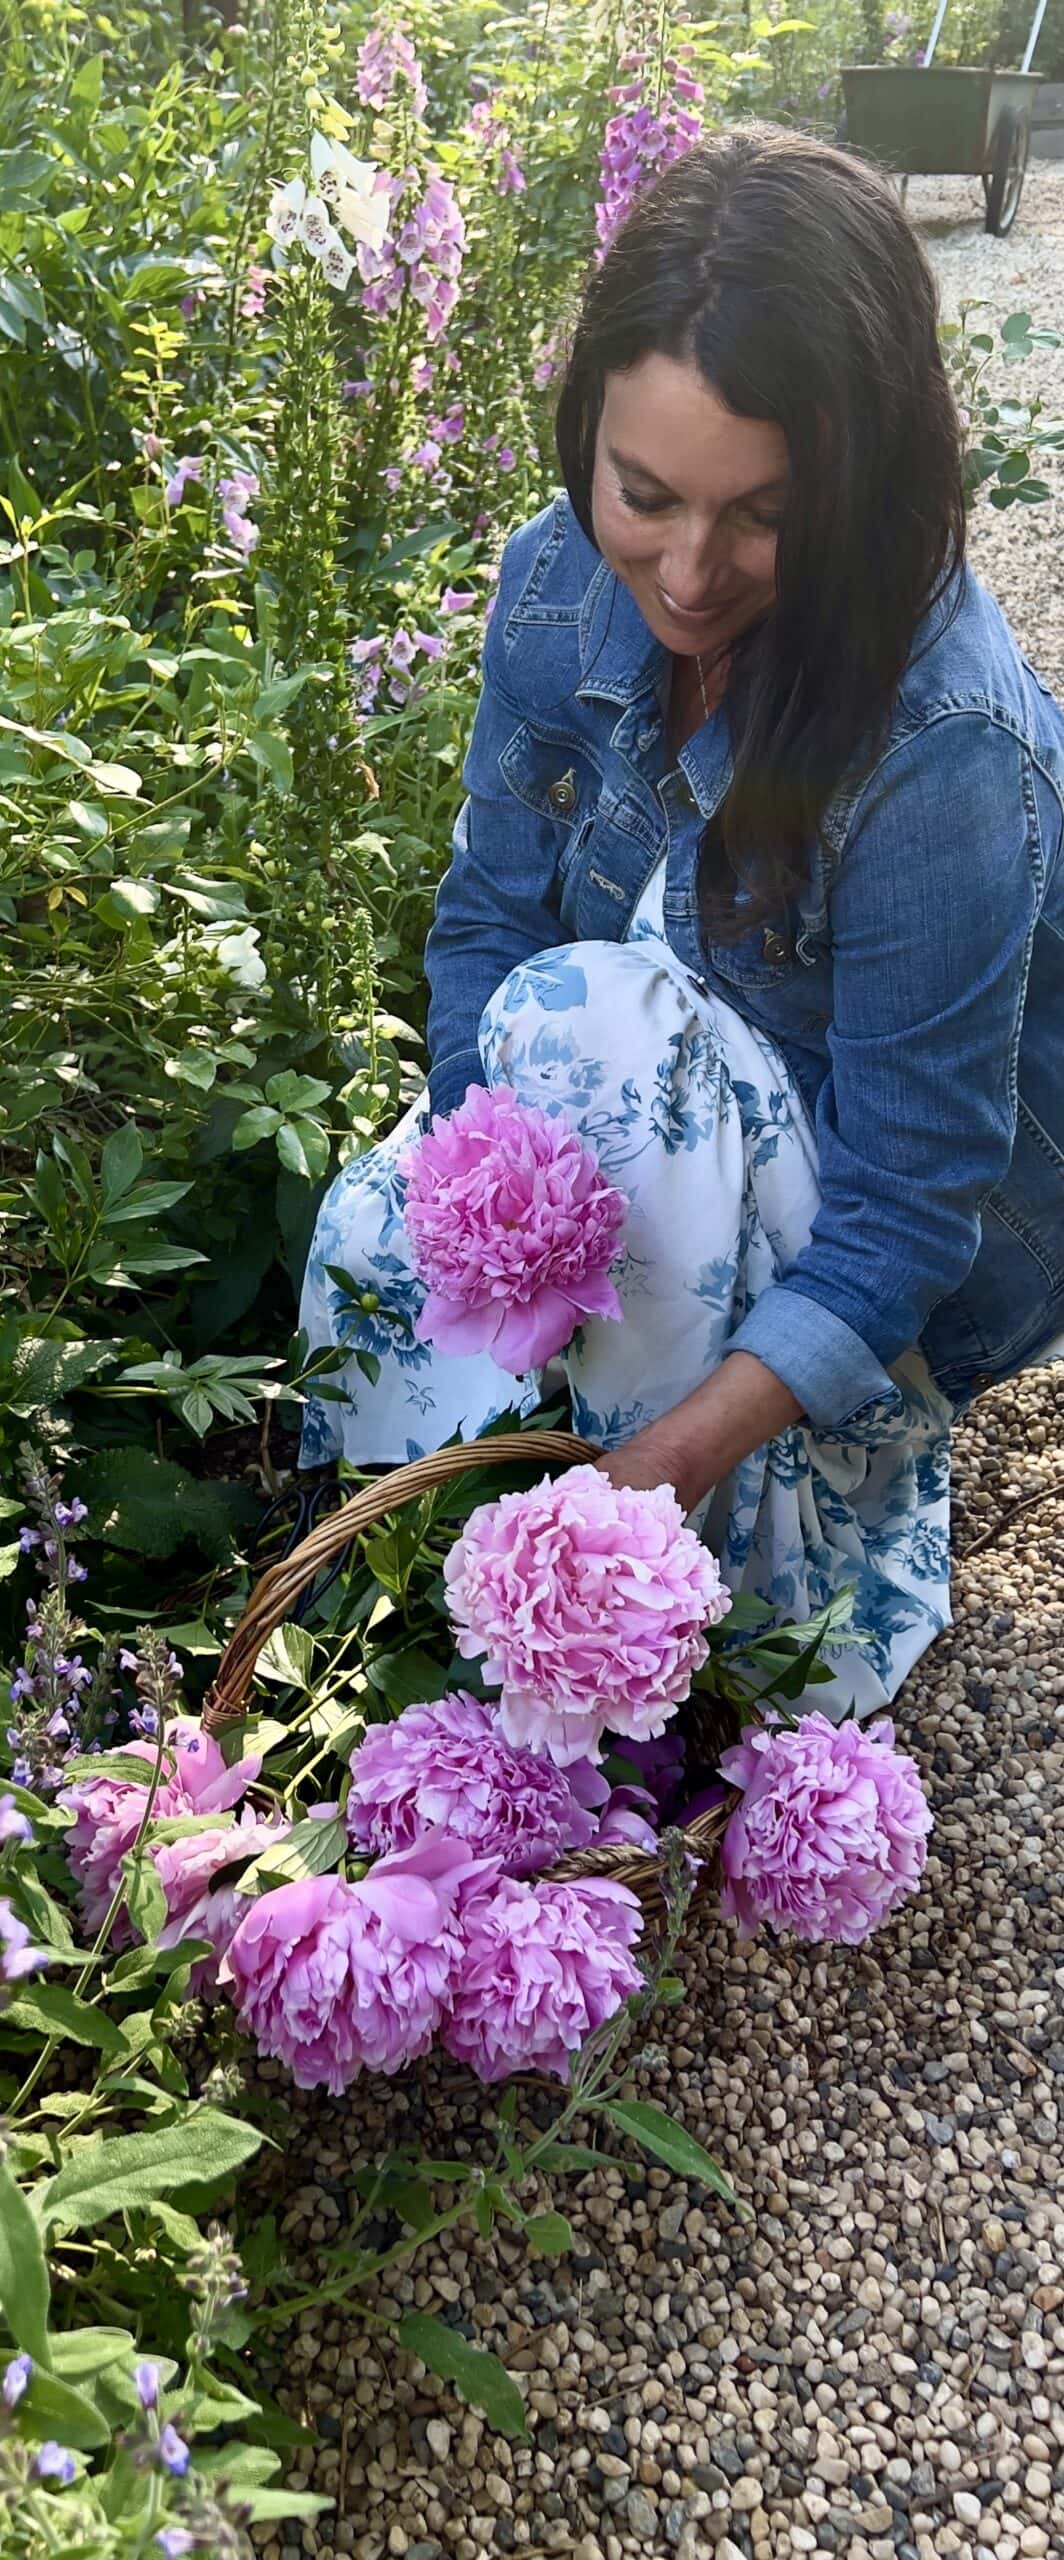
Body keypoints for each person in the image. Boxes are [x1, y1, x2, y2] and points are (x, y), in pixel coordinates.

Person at [297, 121, 1064, 1718]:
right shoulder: (558, 582)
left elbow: (916, 1202)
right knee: (385, 1240)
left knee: (594, 1033)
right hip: (670, 1093)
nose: (692, 572)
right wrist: (490, 1226)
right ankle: (434, 1584)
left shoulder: (946, 750)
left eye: (766, 516)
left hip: (902, 1219)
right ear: (586, 432)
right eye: (644, 492)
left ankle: (741, 1596)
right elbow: (484, 927)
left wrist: (651, 1468)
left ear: (867, 481)